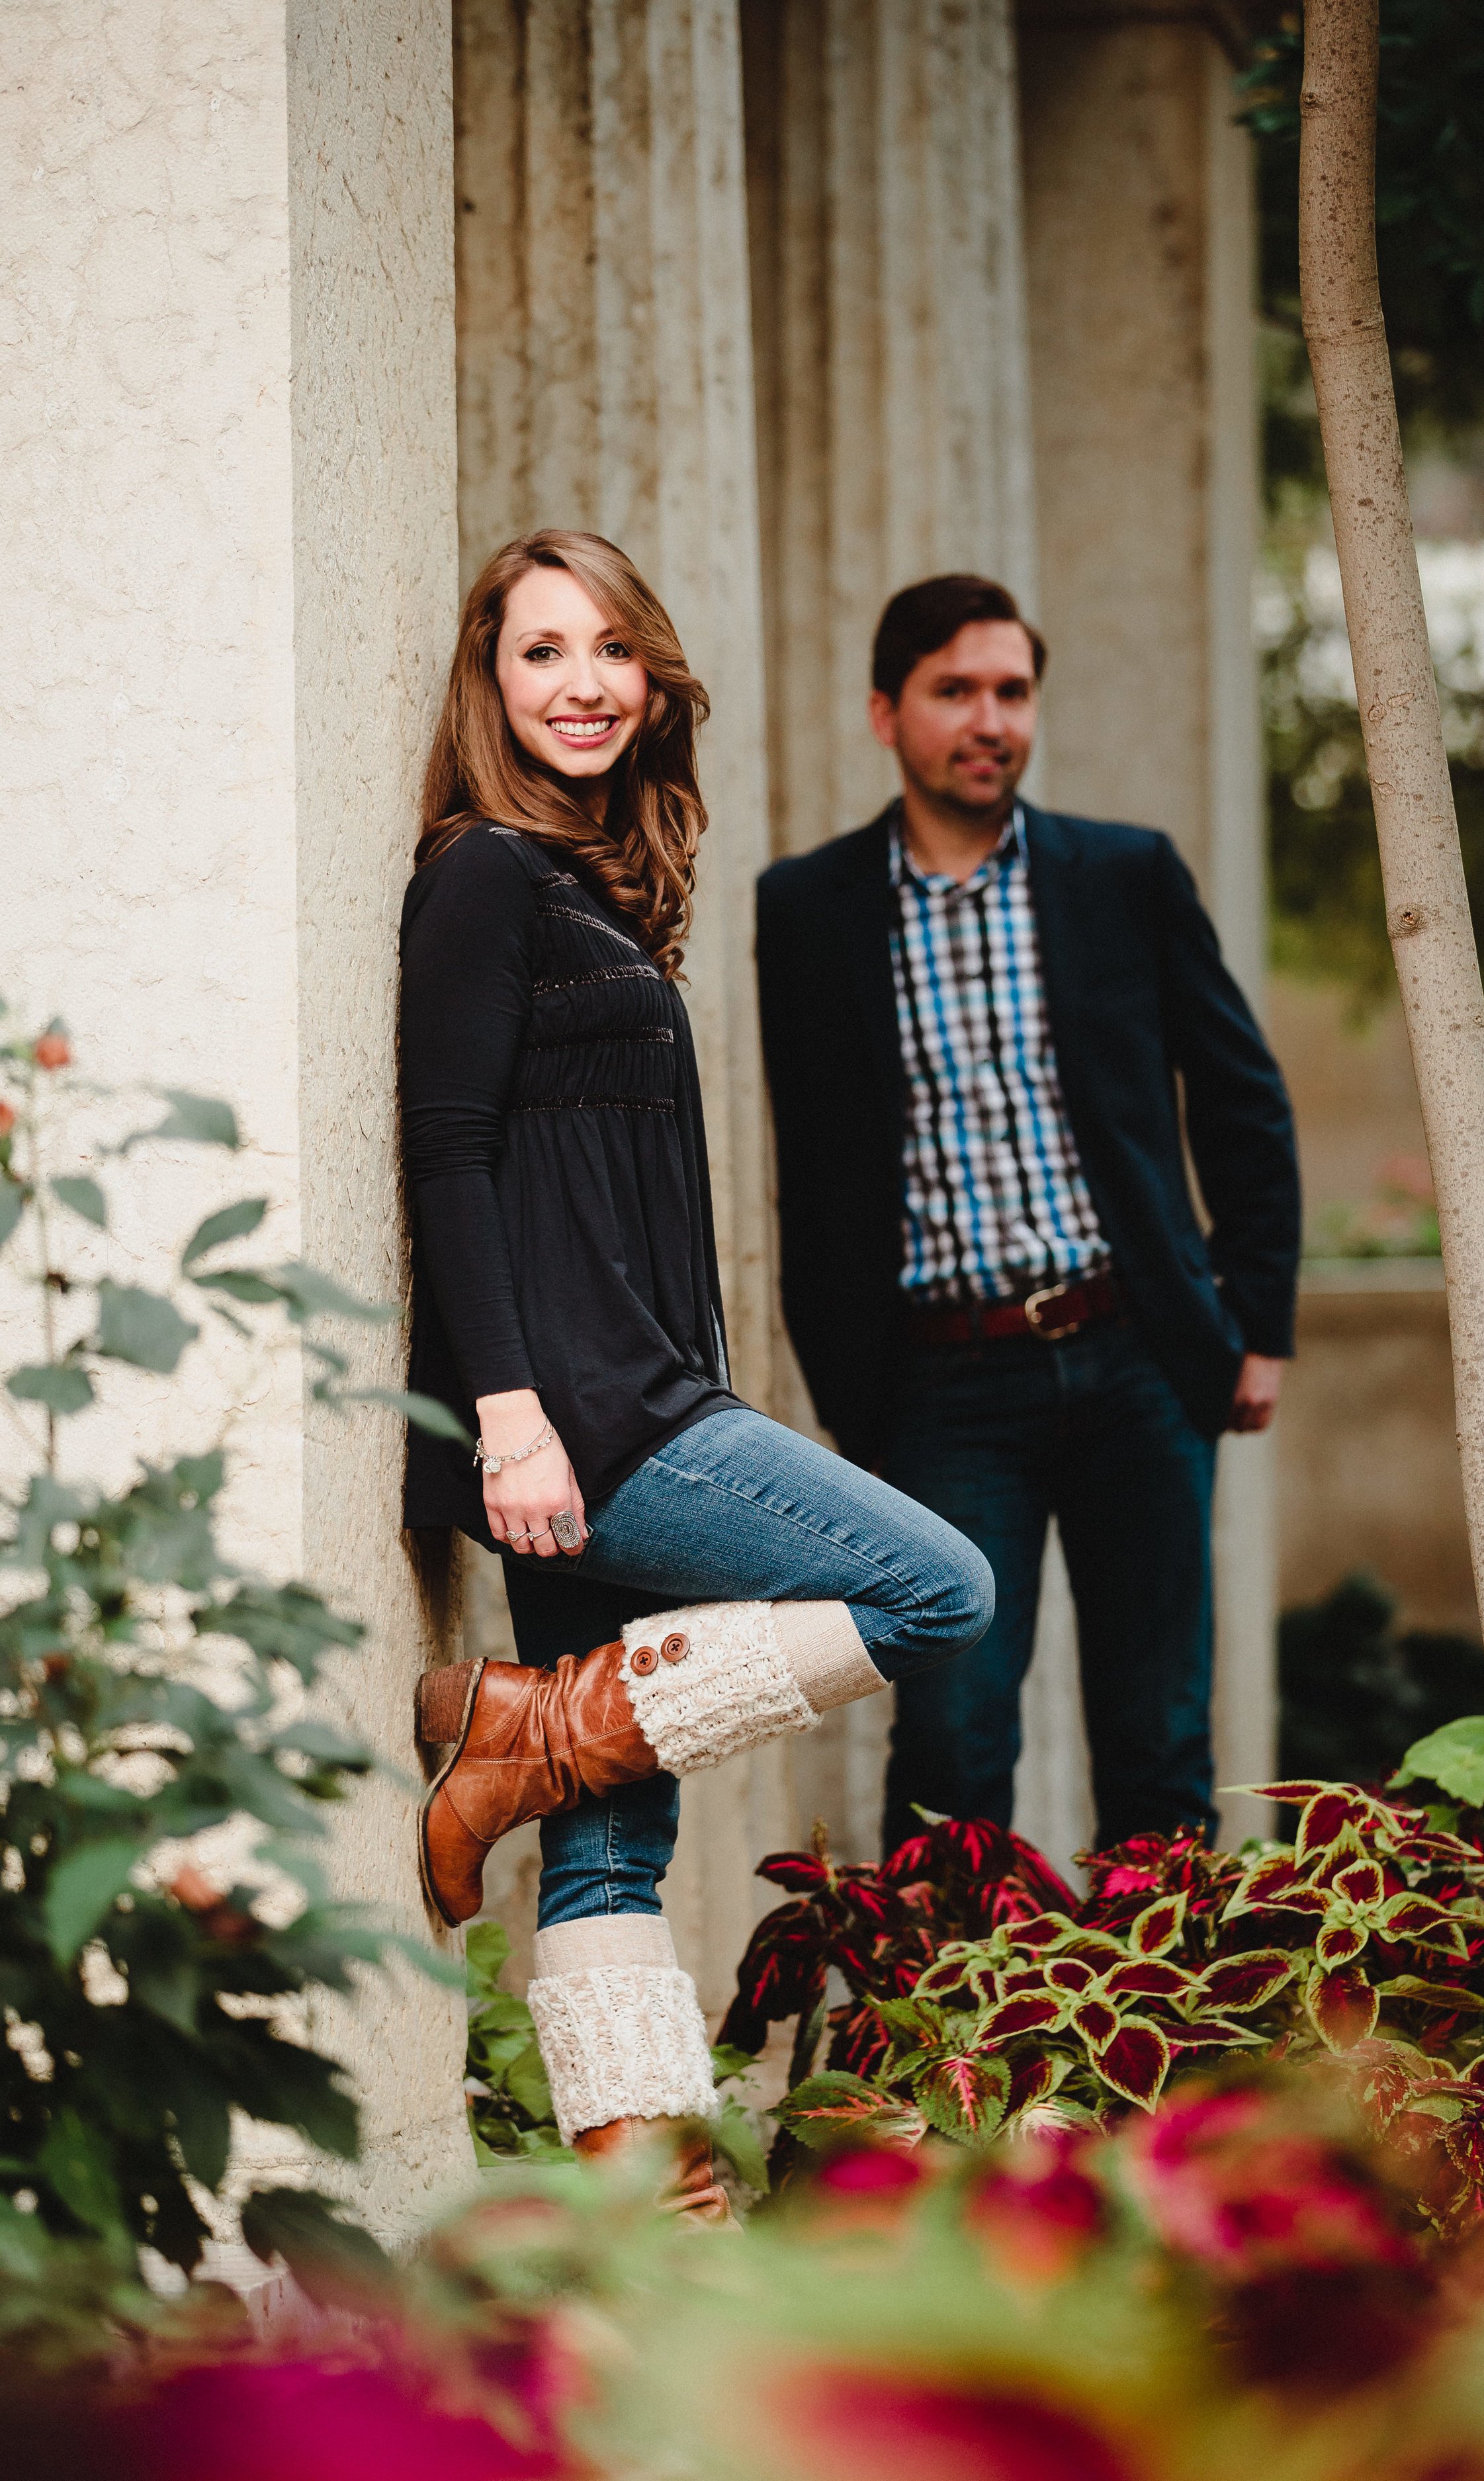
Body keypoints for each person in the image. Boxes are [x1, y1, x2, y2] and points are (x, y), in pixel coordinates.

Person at [399, 532, 992, 2216]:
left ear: (651, 676)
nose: (579, 685)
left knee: (607, 1844)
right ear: (489, 679)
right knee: (939, 1589)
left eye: (608, 652)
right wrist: (511, 1418)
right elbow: (445, 1154)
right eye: (538, 653)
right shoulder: (484, 874)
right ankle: (524, 1729)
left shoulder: (590, 884)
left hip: (619, 1395)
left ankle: (654, 2216)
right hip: (588, 1419)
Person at [756, 574, 1299, 1860]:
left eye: (1010, 691)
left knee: (1158, 1741)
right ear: (886, 715)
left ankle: (1163, 2045)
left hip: (1136, 1363)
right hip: (945, 1389)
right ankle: (934, 2040)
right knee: (949, 1740)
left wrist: (1250, 1325)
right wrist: (857, 1402)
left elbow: (1241, 1102)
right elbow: (814, 1175)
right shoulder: (808, 910)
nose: (988, 719)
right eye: (955, 691)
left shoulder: (1121, 876)